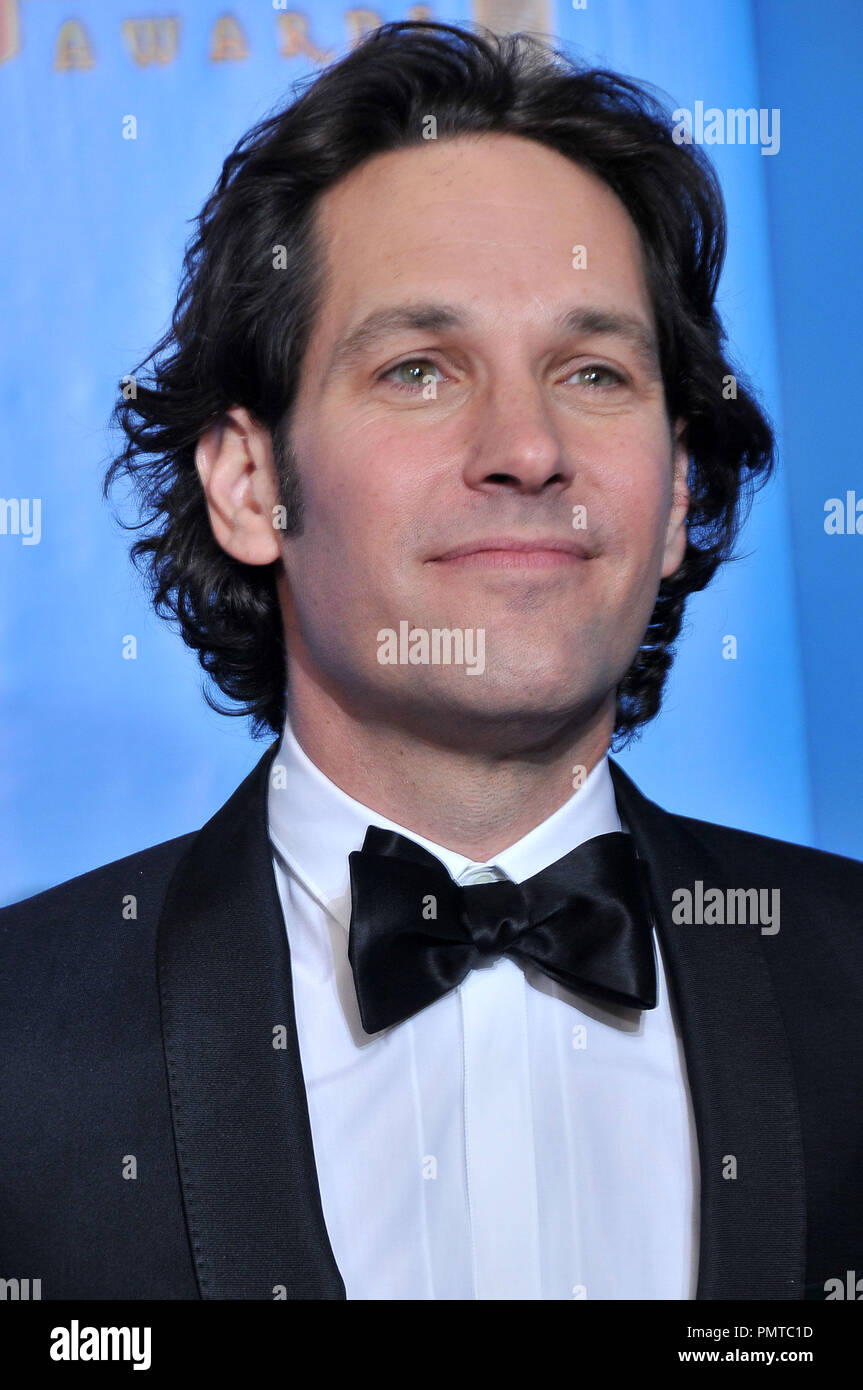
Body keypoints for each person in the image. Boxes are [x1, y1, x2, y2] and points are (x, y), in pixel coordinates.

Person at [1, 19, 861, 1303]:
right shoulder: (23, 1041)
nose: (525, 447)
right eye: (416, 369)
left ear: (679, 493)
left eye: (590, 369)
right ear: (248, 484)